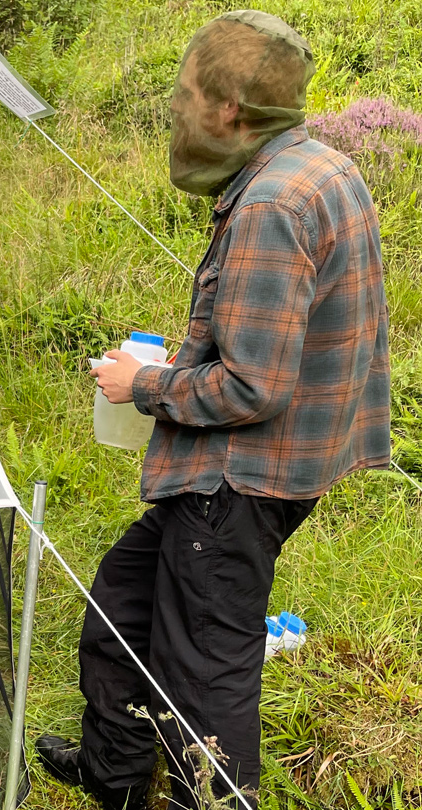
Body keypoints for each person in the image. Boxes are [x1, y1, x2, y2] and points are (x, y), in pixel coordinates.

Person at [34, 10, 390, 810]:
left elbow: (252, 388)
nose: (176, 109)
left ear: (230, 108)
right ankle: (116, 777)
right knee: (121, 608)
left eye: (186, 95)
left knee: (207, 673)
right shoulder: (324, 166)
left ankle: (217, 798)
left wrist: (143, 387)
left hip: (239, 482)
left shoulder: (271, 206)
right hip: (261, 467)